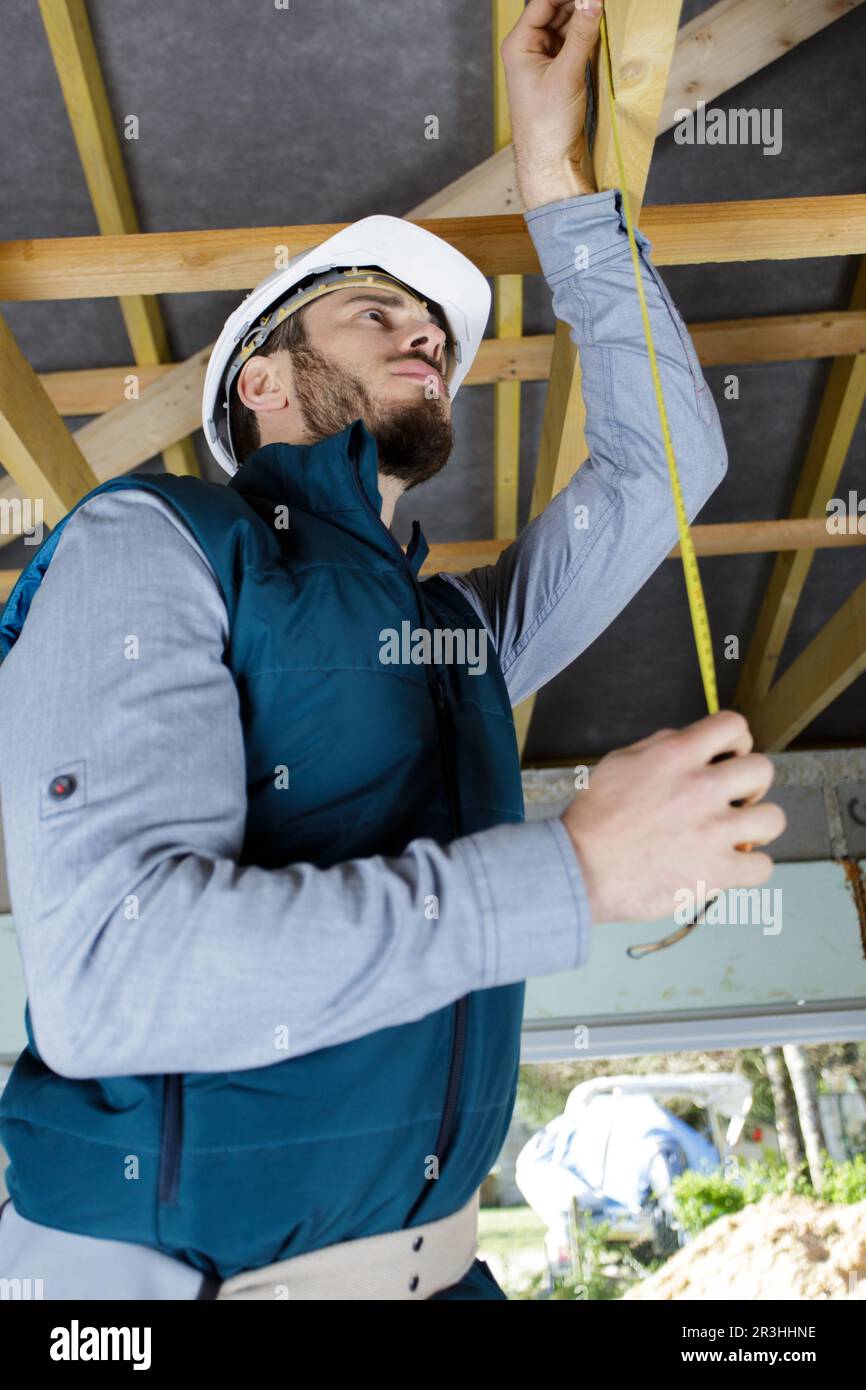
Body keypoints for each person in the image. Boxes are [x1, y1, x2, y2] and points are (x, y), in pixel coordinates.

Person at [0, 0, 784, 1300]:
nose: (430, 338)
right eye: (379, 313)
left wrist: (553, 179)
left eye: (440, 335)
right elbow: (111, 980)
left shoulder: (452, 636)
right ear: (259, 379)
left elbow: (666, 462)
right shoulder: (151, 541)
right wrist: (574, 871)